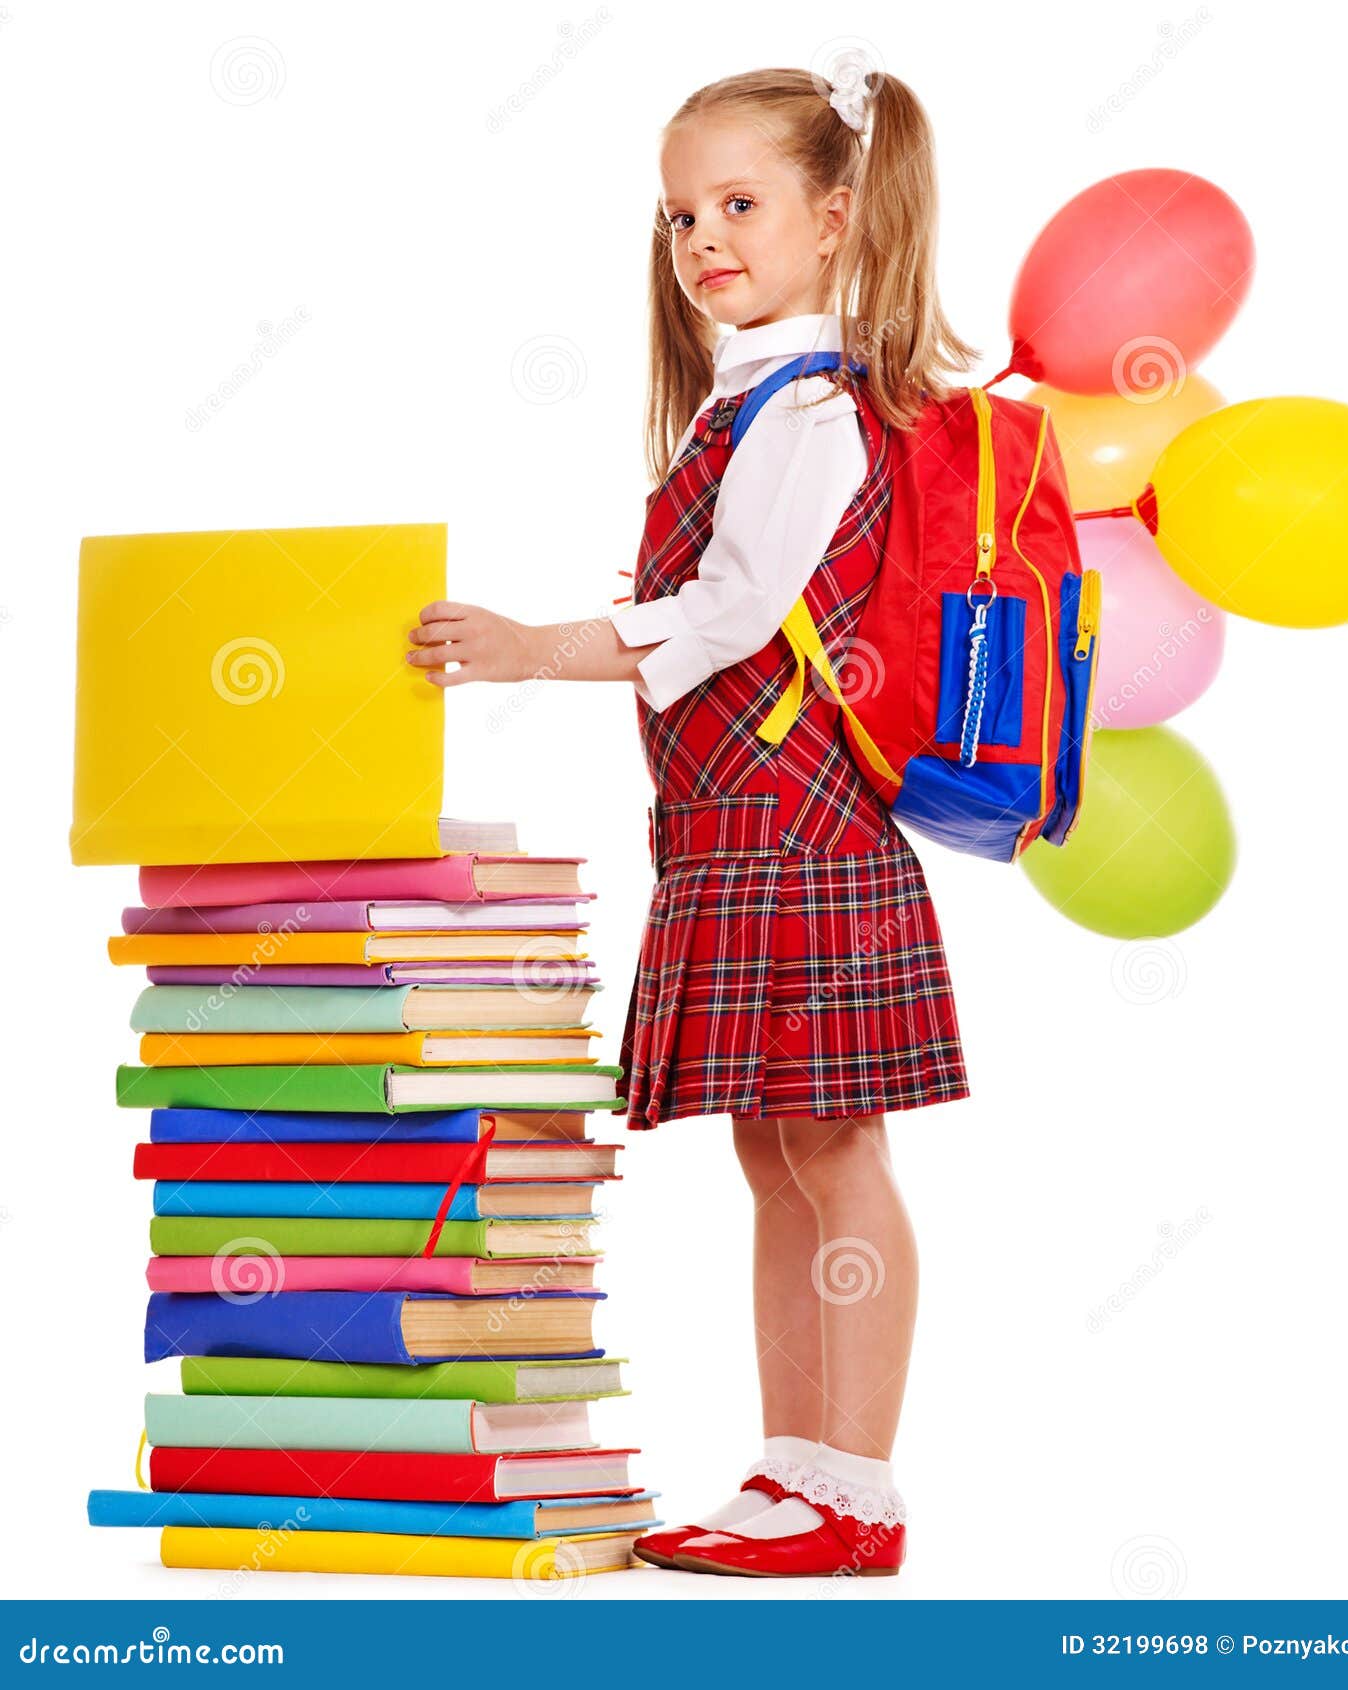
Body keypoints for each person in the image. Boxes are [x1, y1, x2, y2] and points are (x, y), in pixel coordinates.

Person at [407, 52, 976, 1578]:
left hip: (797, 831)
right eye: (677, 214)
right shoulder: (742, 402)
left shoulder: (810, 410)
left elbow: (729, 614)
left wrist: (535, 645)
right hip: (730, 834)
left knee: (833, 1155)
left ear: (839, 218)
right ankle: (793, 1469)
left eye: (739, 202)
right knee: (776, 1159)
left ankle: (857, 1488)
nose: (702, 238)